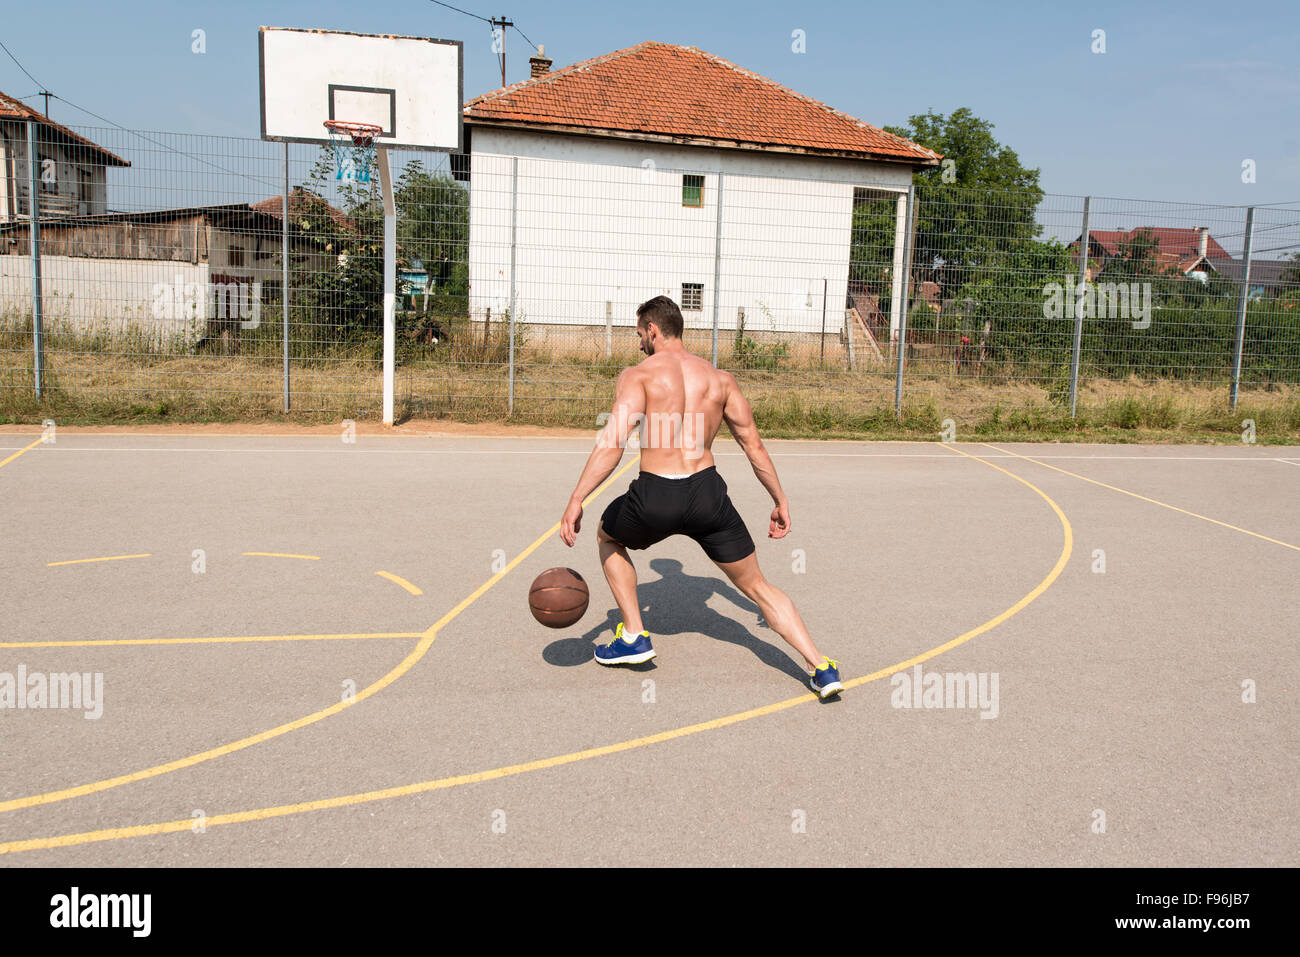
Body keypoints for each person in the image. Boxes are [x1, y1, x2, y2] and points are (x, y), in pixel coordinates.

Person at [559, 295, 843, 698]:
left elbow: (612, 443)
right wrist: (779, 498)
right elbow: (753, 446)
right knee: (759, 587)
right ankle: (821, 667)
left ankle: (635, 636)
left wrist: (577, 499)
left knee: (608, 536)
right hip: (708, 494)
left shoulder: (638, 375)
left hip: (655, 495)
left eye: (640, 334)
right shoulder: (720, 379)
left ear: (653, 330)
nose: (639, 342)